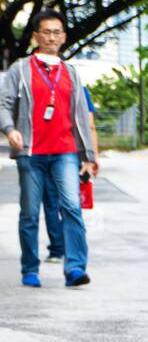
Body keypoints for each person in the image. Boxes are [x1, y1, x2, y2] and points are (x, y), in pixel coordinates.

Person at [0, 9, 97, 287]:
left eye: (57, 32)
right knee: (30, 213)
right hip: (31, 153)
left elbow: (82, 118)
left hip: (65, 152)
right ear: (36, 36)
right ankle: (30, 269)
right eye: (46, 32)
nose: (52, 37)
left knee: (72, 207)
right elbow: (3, 105)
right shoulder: (20, 69)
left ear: (63, 37)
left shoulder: (71, 73)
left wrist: (89, 156)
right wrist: (10, 130)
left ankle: (75, 268)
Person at [41, 87, 98, 263]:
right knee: (71, 202)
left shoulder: (42, 86)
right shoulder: (80, 89)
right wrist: (92, 156)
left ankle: (57, 249)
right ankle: (75, 247)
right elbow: (90, 125)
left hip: (45, 151)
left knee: (51, 202)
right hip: (71, 153)